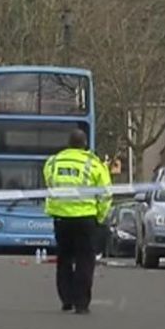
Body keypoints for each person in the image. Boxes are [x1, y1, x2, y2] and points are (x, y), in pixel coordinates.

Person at [43, 129, 112, 314]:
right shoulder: (94, 164)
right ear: (85, 144)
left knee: (64, 258)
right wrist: (100, 216)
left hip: (61, 218)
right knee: (85, 260)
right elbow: (106, 194)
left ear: (69, 143)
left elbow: (49, 183)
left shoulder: (54, 162)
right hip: (86, 219)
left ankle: (66, 299)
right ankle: (81, 303)